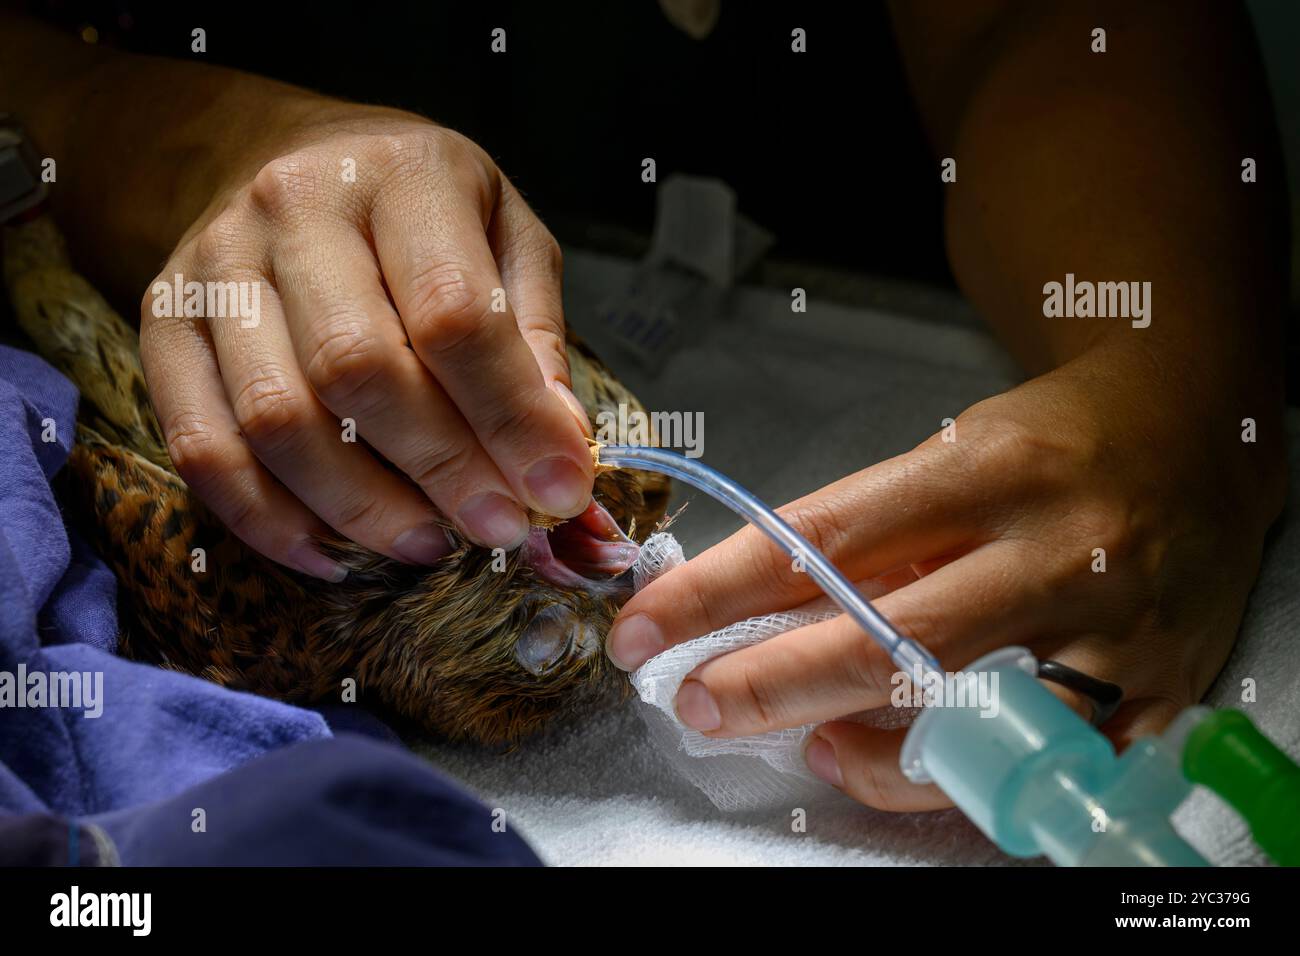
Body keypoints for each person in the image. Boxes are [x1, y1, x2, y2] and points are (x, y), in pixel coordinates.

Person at [0, 1, 1288, 814]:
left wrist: (1180, 390)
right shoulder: (257, 611)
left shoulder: (626, 477)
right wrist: (149, 123)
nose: (613, 579)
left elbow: (1054, 29)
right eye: (551, 646)